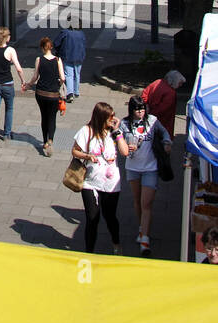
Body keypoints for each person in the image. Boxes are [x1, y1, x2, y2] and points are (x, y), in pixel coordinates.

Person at [71, 102, 129, 254]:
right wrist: (87, 155)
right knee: (92, 218)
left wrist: (117, 131)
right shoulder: (86, 131)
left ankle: (116, 243)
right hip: (90, 182)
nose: (112, 120)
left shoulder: (113, 133)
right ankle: (89, 252)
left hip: (111, 184)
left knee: (110, 217)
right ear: (101, 117)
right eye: (109, 118)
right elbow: (75, 151)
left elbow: (124, 152)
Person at [120, 95, 172, 255]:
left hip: (151, 167)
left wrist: (167, 144)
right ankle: (142, 227)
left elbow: (165, 134)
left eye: (143, 109)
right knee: (137, 201)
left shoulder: (153, 121)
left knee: (146, 203)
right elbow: (118, 141)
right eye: (137, 109)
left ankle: (145, 240)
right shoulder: (124, 124)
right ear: (131, 110)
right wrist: (124, 146)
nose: (141, 112)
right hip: (133, 167)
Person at [24, 36, 66, 156]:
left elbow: (35, 76)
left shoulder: (39, 59)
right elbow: (63, 78)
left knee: (44, 117)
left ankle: (44, 141)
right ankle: (50, 140)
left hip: (41, 93)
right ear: (51, 47)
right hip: (53, 94)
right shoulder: (58, 60)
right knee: (52, 117)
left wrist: (28, 85)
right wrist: (58, 83)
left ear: (42, 48)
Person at [142, 70, 185, 138]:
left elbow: (145, 94)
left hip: (149, 115)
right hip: (163, 122)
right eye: (180, 83)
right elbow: (163, 109)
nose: (180, 85)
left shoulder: (157, 82)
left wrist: (146, 107)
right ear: (174, 81)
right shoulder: (171, 93)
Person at [52, 24, 87, 101]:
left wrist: (58, 52)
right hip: (79, 57)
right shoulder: (81, 33)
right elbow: (84, 44)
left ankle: (70, 93)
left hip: (67, 56)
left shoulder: (65, 33)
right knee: (77, 74)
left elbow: (56, 43)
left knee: (69, 75)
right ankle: (76, 91)